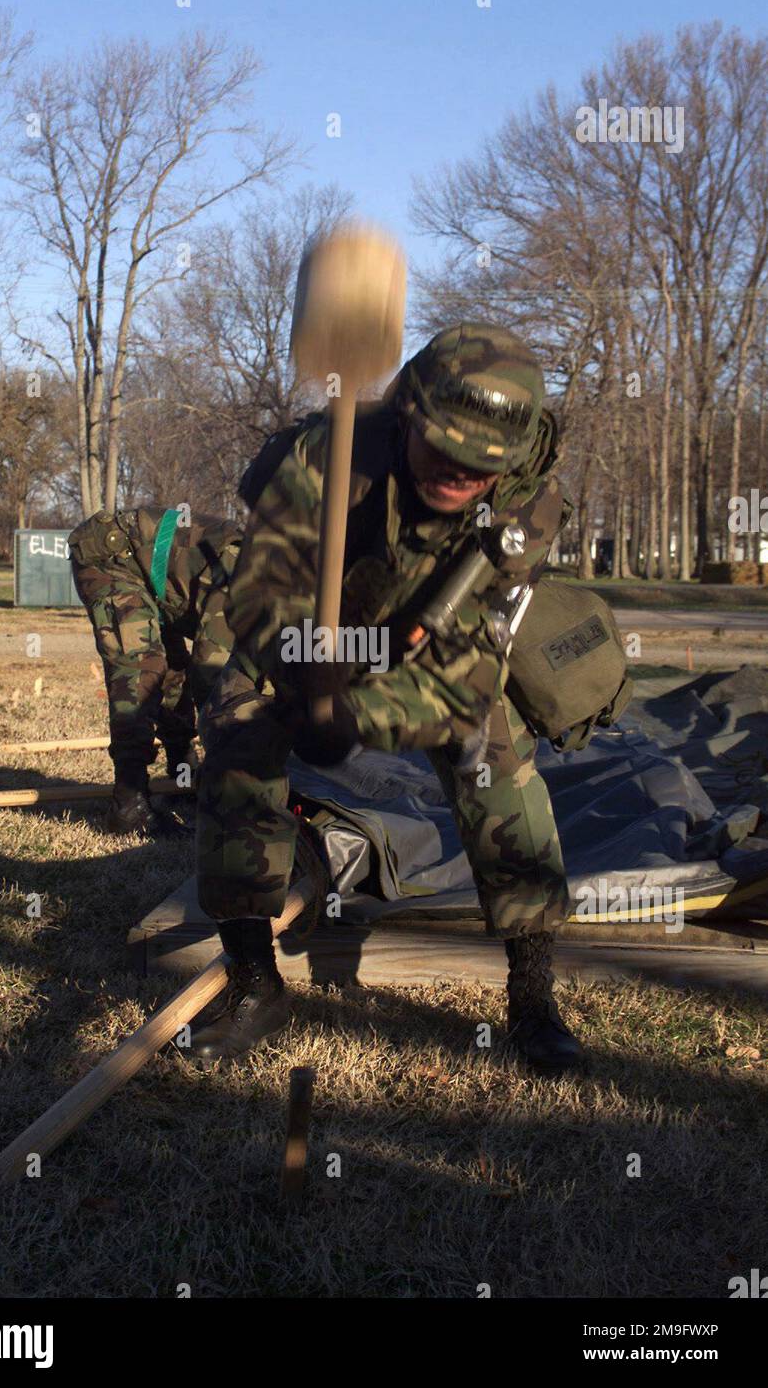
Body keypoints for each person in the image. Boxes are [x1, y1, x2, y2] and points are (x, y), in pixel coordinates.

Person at [190, 322, 586, 1074]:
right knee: (237, 726)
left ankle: (533, 999)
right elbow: (259, 594)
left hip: (429, 640)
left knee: (496, 761)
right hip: (313, 628)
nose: (457, 474)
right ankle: (253, 983)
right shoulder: (324, 457)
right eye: (441, 450)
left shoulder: (525, 508)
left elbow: (461, 672)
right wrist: (311, 674)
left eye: (479, 469)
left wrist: (353, 717)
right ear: (407, 411)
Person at [68, 505, 241, 836]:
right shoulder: (240, 582)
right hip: (112, 555)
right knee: (141, 670)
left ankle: (183, 774)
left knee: (174, 669)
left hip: (156, 576)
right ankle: (128, 806)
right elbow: (213, 677)